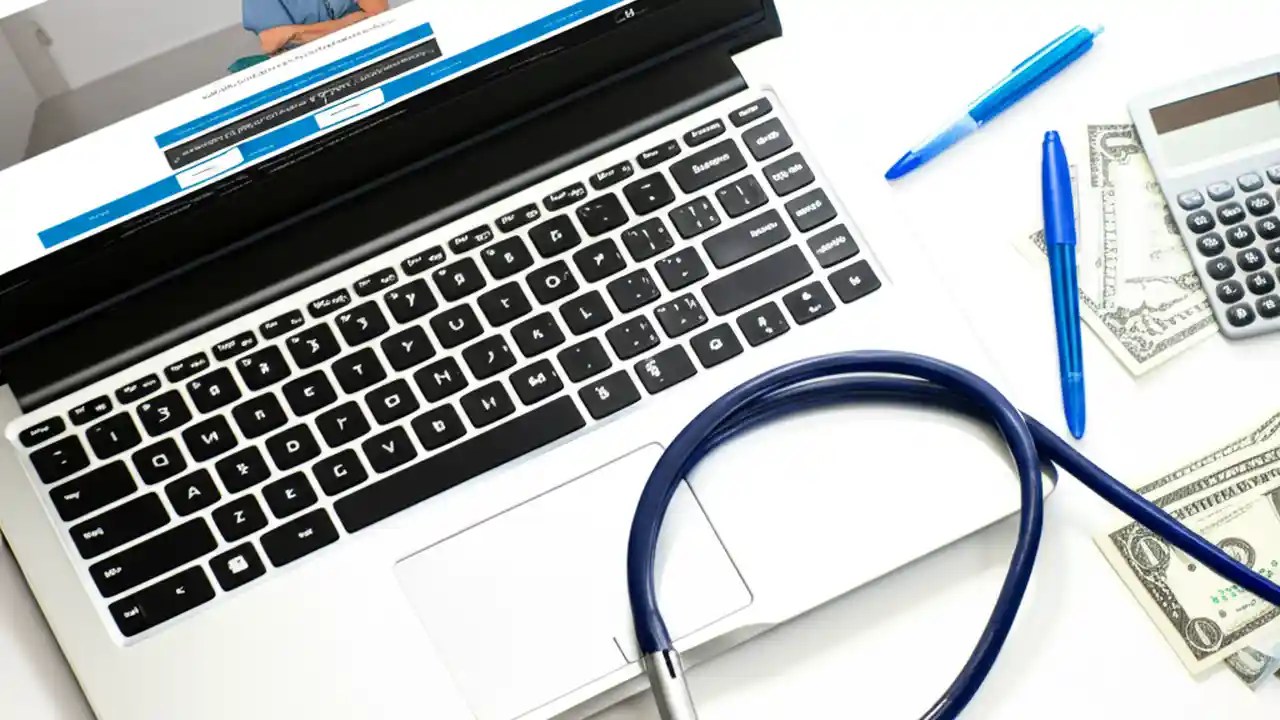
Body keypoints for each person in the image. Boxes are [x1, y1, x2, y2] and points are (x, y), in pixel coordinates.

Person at [243, 0, 391, 55]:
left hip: (366, 51)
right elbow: (272, 41)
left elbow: (379, 17)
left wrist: (296, 33)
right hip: (308, 69)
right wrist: (350, 22)